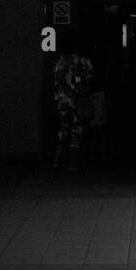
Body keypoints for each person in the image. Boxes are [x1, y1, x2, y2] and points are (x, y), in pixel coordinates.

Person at [51, 35, 95, 172]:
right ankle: (72, 163)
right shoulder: (83, 61)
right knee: (77, 131)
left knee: (62, 130)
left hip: (63, 101)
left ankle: (57, 161)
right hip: (78, 99)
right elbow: (90, 80)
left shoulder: (60, 61)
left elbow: (56, 81)